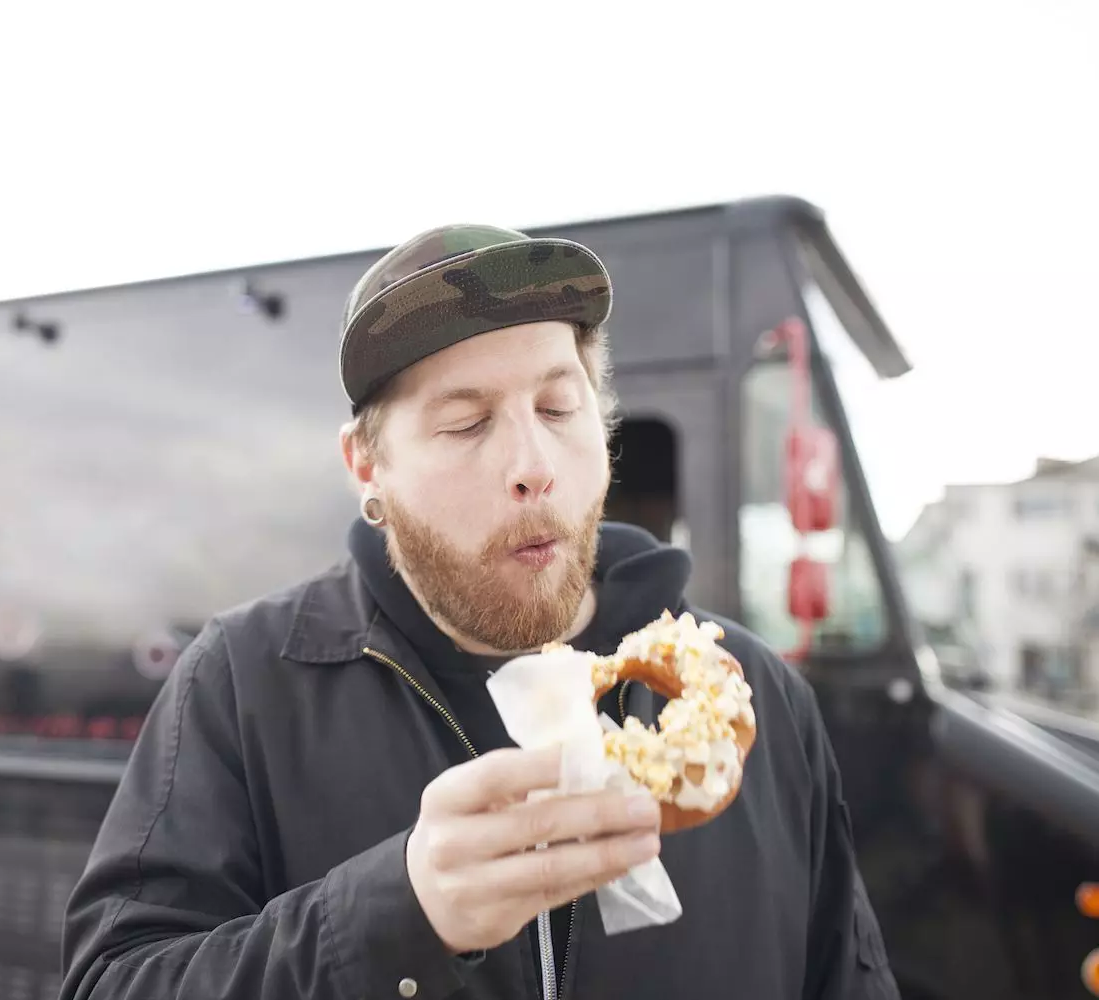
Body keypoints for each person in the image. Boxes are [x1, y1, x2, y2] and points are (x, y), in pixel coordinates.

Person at [60, 225, 899, 999]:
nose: (533, 464)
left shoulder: (763, 702)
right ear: (368, 469)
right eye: (466, 424)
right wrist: (394, 913)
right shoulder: (243, 683)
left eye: (559, 410)